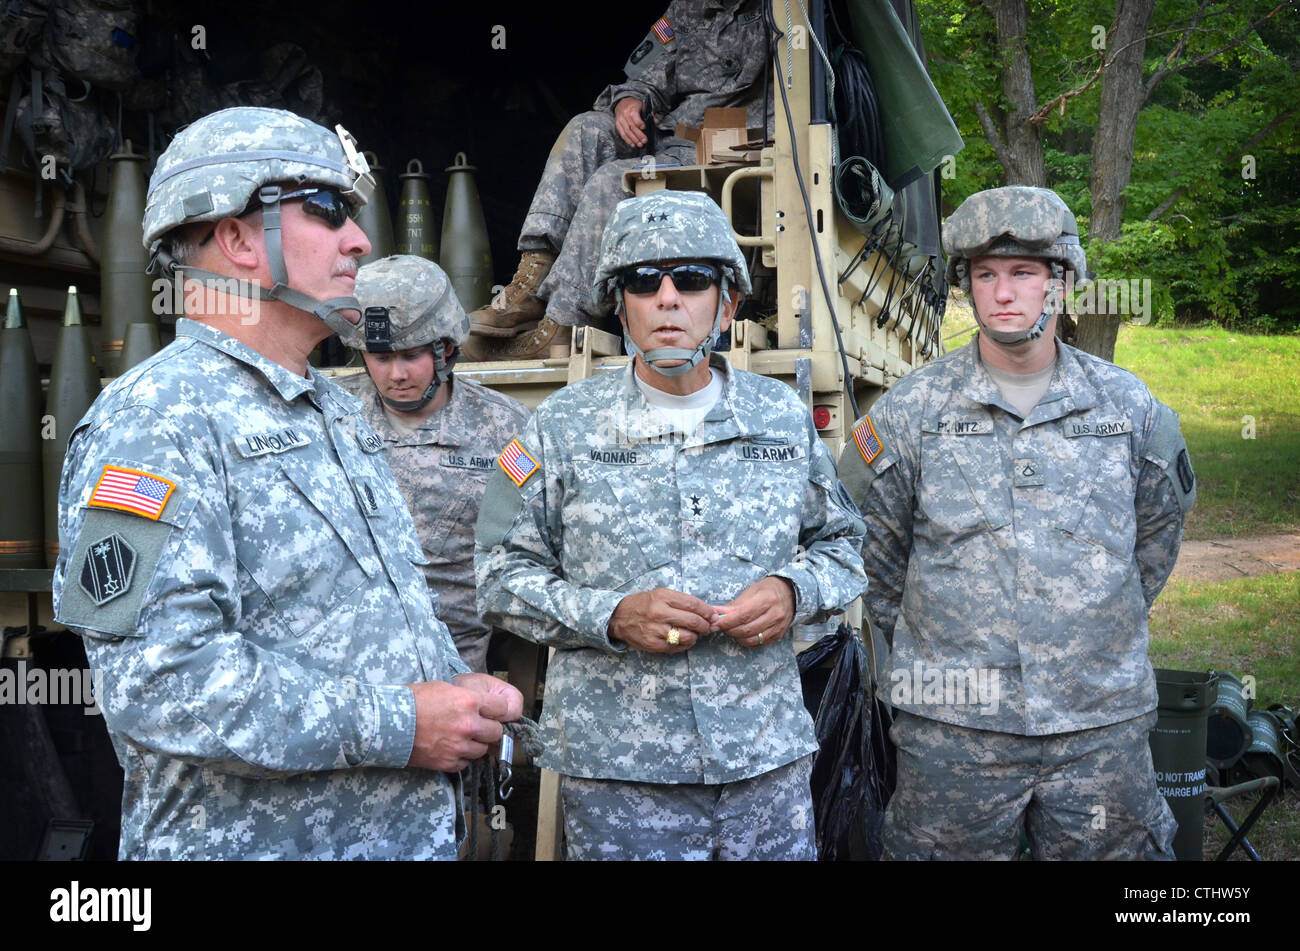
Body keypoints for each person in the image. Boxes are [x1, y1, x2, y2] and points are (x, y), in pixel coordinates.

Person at [52, 107, 522, 860]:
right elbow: (157, 684)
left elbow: (381, 604)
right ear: (236, 237)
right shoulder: (150, 422)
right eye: (329, 209)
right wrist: (404, 725)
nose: (361, 240)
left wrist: (457, 691)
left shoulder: (332, 407)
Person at [475, 190, 867, 860]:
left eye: (690, 279)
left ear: (728, 302)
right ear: (618, 303)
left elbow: (844, 545)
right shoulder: (558, 427)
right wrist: (611, 615)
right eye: (641, 281)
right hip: (622, 780)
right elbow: (497, 574)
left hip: (761, 768)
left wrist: (792, 590)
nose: (666, 298)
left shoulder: (779, 417)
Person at [836, 185, 1195, 860]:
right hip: (954, 731)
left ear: (1061, 283)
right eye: (986, 274)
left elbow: (1155, 538)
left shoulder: (1129, 409)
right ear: (967, 287)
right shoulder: (912, 412)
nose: (1003, 292)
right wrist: (940, 641)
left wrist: (1086, 631)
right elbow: (870, 550)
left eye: (1024, 273)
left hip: (1099, 726)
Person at [466, 0, 769, 361]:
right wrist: (630, 100)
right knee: (586, 129)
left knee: (615, 181)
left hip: (732, 152)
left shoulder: (783, 11)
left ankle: (562, 323)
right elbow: (647, 75)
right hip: (675, 137)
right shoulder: (687, 9)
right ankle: (530, 283)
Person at [335, 254, 530, 673]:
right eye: (381, 358)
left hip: (452, 651)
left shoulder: (505, 426)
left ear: (444, 348)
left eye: (411, 356)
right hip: (348, 646)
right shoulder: (330, 414)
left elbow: (534, 541)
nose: (397, 374)